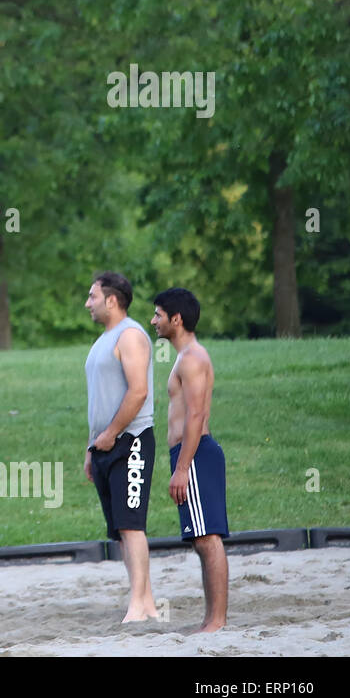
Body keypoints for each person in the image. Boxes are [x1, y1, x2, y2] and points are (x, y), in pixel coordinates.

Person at [151, 287, 228, 633]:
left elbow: (196, 415)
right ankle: (212, 619)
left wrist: (182, 468)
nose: (153, 321)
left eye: (158, 315)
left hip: (194, 455)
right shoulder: (186, 357)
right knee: (201, 539)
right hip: (189, 456)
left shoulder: (193, 358)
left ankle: (216, 622)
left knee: (207, 539)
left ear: (176, 319)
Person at [84, 271, 158, 622]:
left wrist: (112, 433)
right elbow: (101, 398)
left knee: (132, 525)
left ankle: (139, 605)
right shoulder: (104, 339)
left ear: (111, 300)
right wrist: (92, 447)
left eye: (92, 297)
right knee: (119, 530)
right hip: (105, 445)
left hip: (131, 441)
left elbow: (138, 391)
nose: (88, 304)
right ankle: (146, 601)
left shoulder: (130, 335)